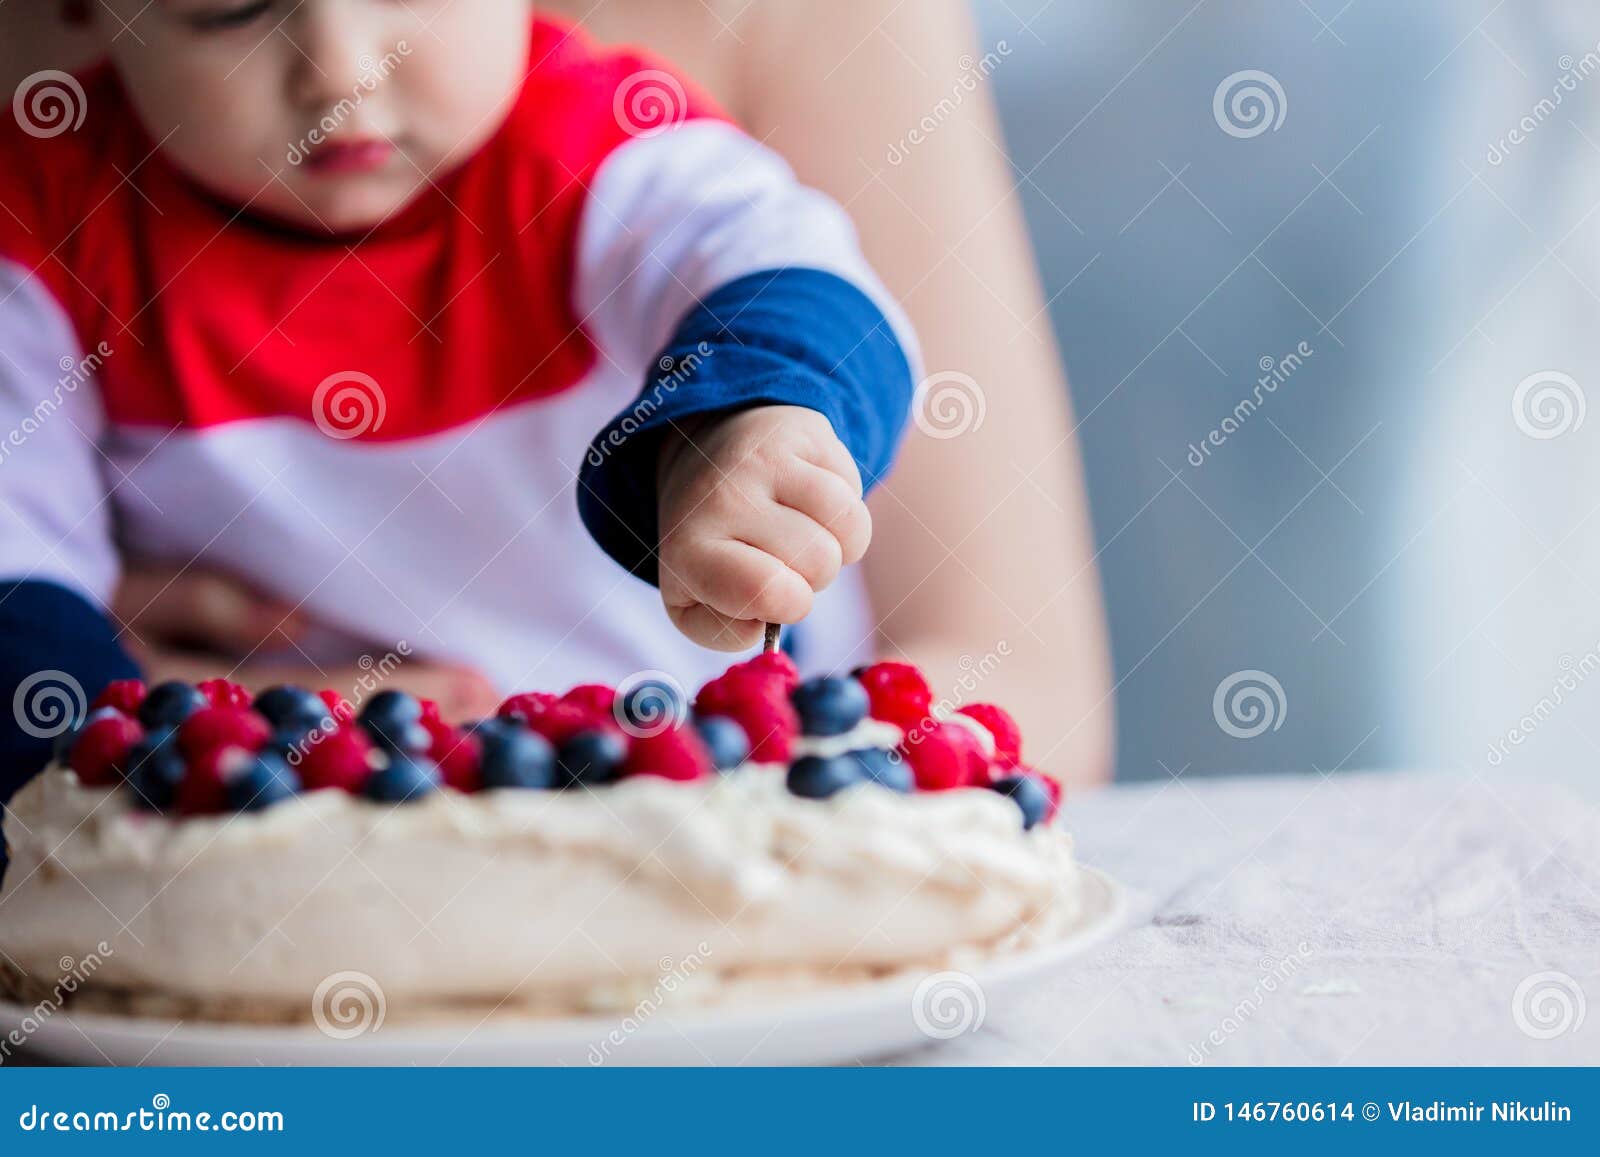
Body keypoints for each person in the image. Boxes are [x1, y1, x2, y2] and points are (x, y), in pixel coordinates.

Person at [4, 0, 1114, 791]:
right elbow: (15, 573)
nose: (337, 65)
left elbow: (798, 284)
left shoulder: (604, 145)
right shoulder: (42, 226)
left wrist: (745, 424)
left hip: (709, 800)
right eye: (226, 8)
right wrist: (128, 769)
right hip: (319, 830)